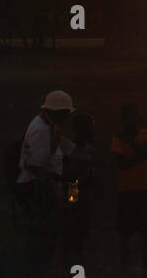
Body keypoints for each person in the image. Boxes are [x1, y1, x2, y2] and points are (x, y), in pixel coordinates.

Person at [17, 90, 76, 267]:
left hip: (43, 186)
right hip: (37, 188)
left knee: (48, 229)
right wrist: (60, 180)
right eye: (66, 113)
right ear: (57, 112)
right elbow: (34, 166)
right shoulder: (41, 130)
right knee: (45, 230)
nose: (67, 117)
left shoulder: (48, 126)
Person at [110, 102, 147, 271]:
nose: (133, 121)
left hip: (138, 189)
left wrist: (128, 141)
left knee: (142, 234)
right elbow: (123, 164)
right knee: (127, 235)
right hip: (134, 190)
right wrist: (140, 152)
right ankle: (130, 269)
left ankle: (142, 269)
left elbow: (125, 162)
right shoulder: (143, 135)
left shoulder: (122, 138)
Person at [60, 113, 96, 264]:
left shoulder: (85, 147)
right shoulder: (74, 148)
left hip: (78, 188)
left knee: (79, 224)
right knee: (73, 222)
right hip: (74, 187)